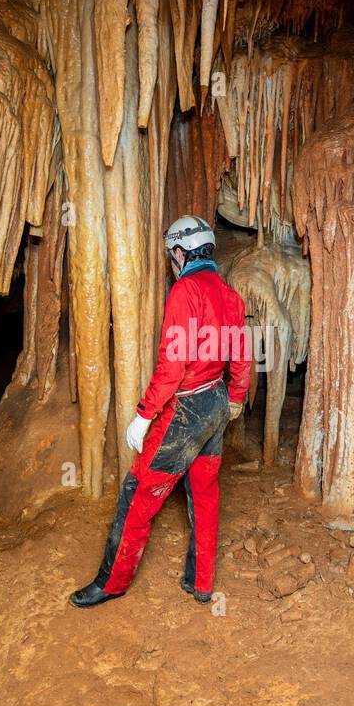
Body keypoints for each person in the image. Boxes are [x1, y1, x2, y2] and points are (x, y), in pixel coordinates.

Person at [69, 215, 251, 608]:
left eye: (172, 257)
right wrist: (235, 395)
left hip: (186, 406)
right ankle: (201, 582)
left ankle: (112, 582)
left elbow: (174, 362)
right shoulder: (231, 296)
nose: (172, 264)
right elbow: (241, 355)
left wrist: (144, 413)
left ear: (181, 252)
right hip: (217, 402)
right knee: (204, 493)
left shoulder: (187, 291)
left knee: (139, 493)